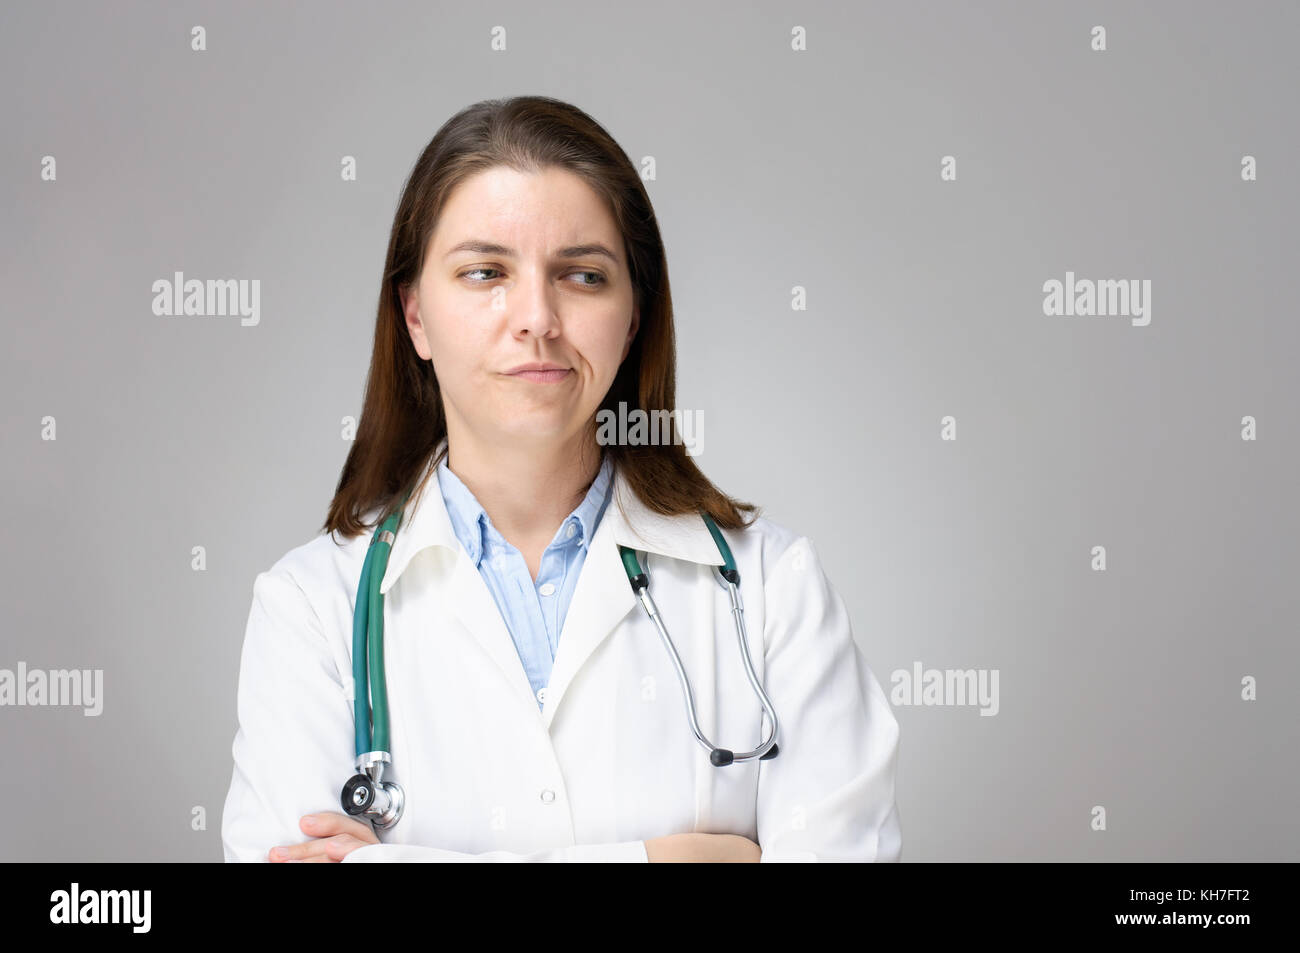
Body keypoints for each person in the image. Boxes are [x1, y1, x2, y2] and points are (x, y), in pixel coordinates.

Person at [220, 95, 901, 863]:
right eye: (485, 272)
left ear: (633, 315)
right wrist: (679, 858)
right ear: (415, 315)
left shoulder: (774, 588)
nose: (537, 317)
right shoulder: (310, 609)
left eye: (582, 276)